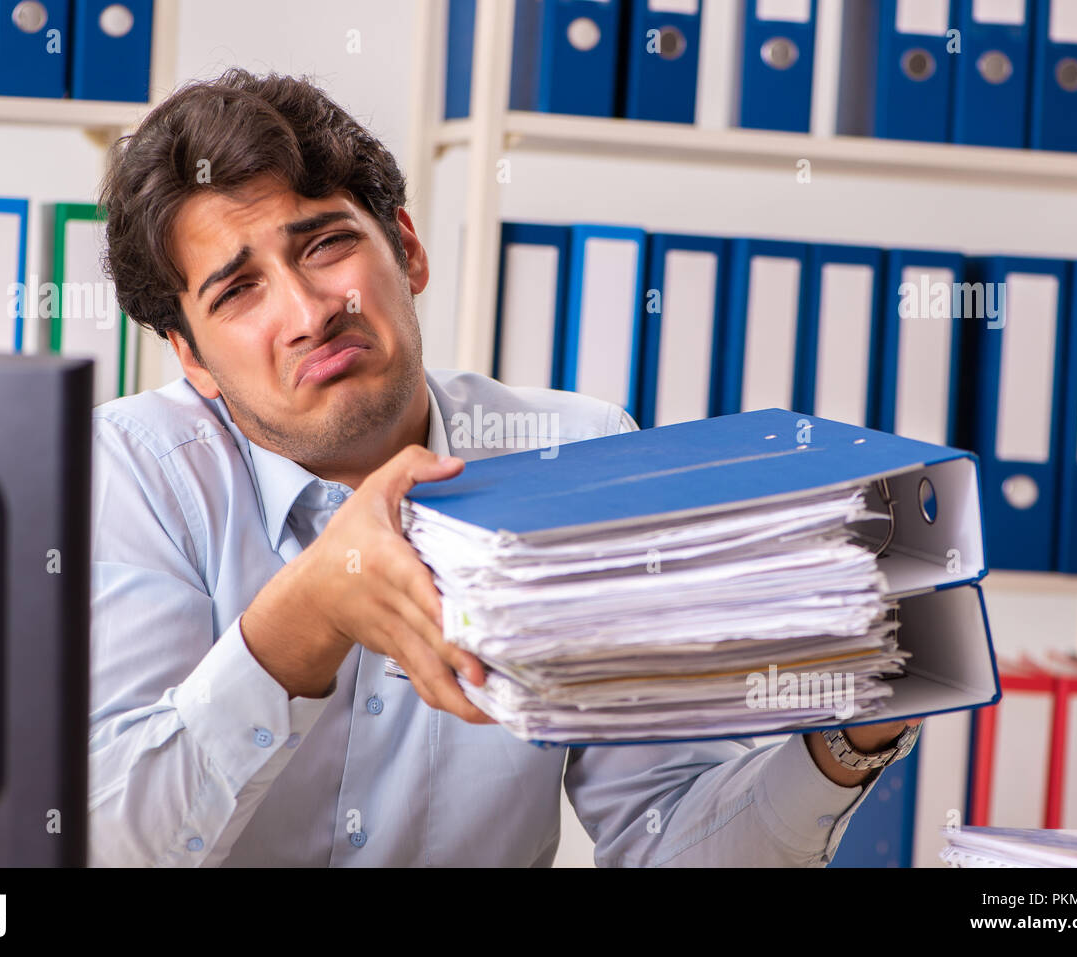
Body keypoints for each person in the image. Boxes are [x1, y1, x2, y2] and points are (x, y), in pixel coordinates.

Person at [88, 68, 920, 867]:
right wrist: (302, 620)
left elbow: (668, 843)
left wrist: (847, 739)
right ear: (191, 359)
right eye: (238, 293)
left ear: (407, 250)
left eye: (327, 244)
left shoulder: (582, 455)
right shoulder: (132, 474)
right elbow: (105, 847)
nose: (307, 313)